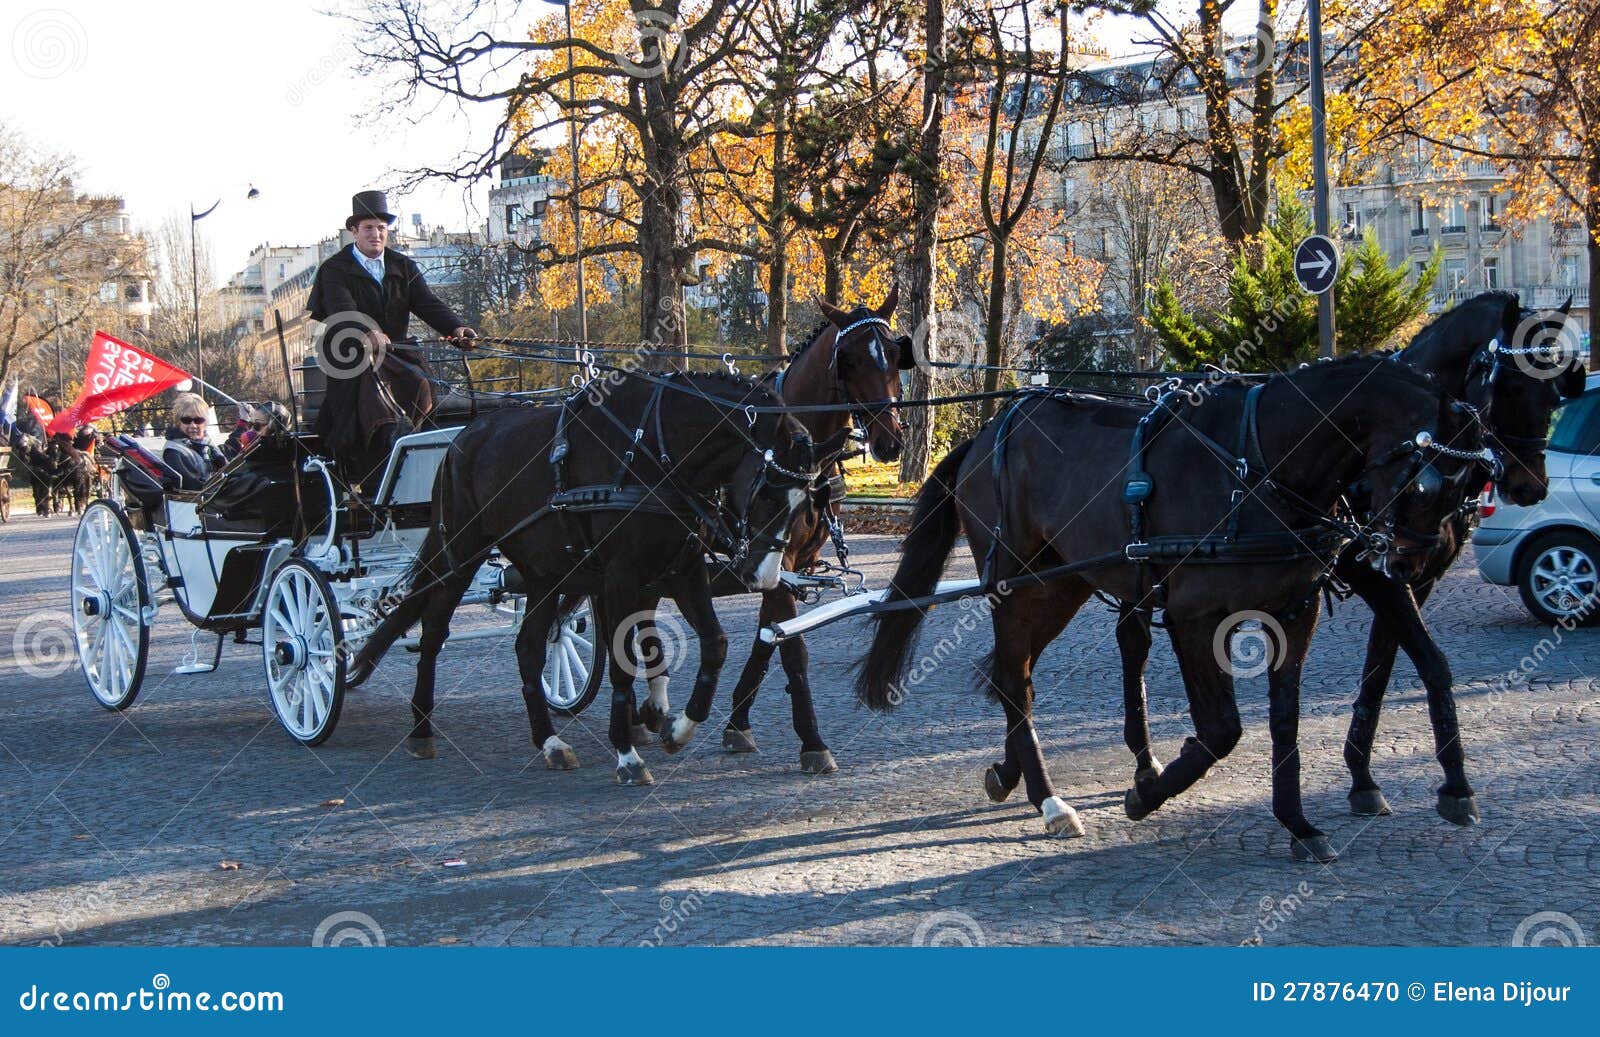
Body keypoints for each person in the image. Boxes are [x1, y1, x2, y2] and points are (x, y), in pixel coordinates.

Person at [307, 190, 476, 488]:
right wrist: (366, 332)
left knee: (422, 388)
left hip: (397, 355)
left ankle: (423, 460)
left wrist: (456, 329)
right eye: (369, 228)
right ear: (354, 231)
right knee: (376, 410)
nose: (376, 234)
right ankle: (379, 477)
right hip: (354, 361)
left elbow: (427, 303)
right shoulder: (334, 270)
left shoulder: (403, 266)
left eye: (381, 228)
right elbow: (341, 309)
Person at [163, 392, 225, 490]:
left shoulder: (207, 444)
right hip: (197, 501)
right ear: (178, 422)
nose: (193, 425)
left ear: (205, 423)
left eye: (198, 420)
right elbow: (193, 486)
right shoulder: (174, 451)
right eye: (186, 420)